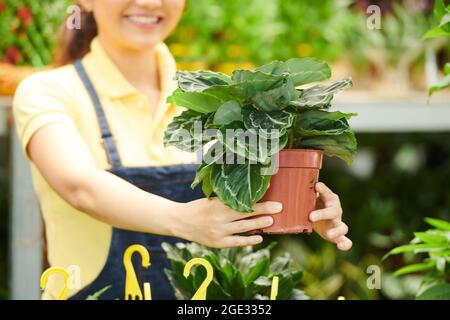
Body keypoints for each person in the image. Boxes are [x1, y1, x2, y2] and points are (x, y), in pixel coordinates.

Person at [13, 0, 352, 300]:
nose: (149, 2)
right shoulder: (48, 92)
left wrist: (301, 207)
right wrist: (183, 220)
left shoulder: (213, 98)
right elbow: (80, 187)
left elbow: (239, 199)